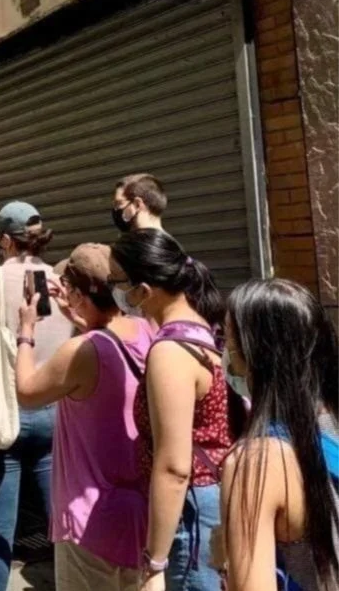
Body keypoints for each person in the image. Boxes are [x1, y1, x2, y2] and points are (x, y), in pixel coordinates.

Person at [16, 243, 153, 590]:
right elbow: (107, 344)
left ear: (75, 292)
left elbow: (27, 392)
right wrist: (79, 318)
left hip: (88, 517)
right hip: (140, 508)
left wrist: (26, 330)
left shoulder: (82, 350)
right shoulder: (145, 331)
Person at [110, 229, 237, 591]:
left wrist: (155, 561)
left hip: (190, 510)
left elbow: (174, 467)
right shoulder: (203, 330)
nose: (116, 292)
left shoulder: (170, 353)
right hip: (209, 499)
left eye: (119, 282)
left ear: (144, 290)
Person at [0, 201, 72, 591]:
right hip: (54, 412)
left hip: (2, 414)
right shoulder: (61, 282)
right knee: (62, 522)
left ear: (6, 240)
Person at [215, 279, 339, 591]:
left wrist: (229, 561)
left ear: (256, 356)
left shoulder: (257, 462)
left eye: (229, 343)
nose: (225, 357)